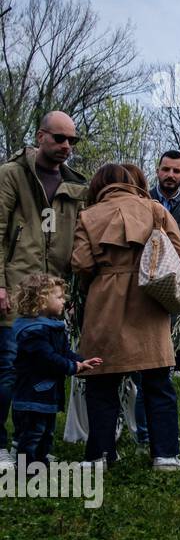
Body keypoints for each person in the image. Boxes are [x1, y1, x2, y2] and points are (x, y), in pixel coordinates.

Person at [72, 163, 180, 471]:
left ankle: (100, 454)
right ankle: (165, 455)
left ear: (99, 184)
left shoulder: (89, 215)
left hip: (104, 301)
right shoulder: (155, 209)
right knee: (158, 381)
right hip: (149, 298)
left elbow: (82, 263)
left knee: (102, 383)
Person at [0, 111, 89, 467]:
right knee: (9, 366)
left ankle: (36, 443)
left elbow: (80, 242)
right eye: (59, 138)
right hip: (17, 288)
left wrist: (70, 294)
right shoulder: (11, 175)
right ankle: (2, 444)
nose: (66, 146)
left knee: (51, 368)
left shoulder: (76, 187)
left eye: (72, 141)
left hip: (54, 297)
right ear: (40, 137)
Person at [10, 273, 100, 469]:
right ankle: (25, 467)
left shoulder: (51, 327)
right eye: (59, 297)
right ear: (41, 301)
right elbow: (48, 358)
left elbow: (63, 352)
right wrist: (72, 367)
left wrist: (82, 361)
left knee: (46, 431)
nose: (63, 301)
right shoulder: (33, 331)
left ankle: (40, 462)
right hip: (31, 395)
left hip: (46, 393)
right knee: (32, 432)